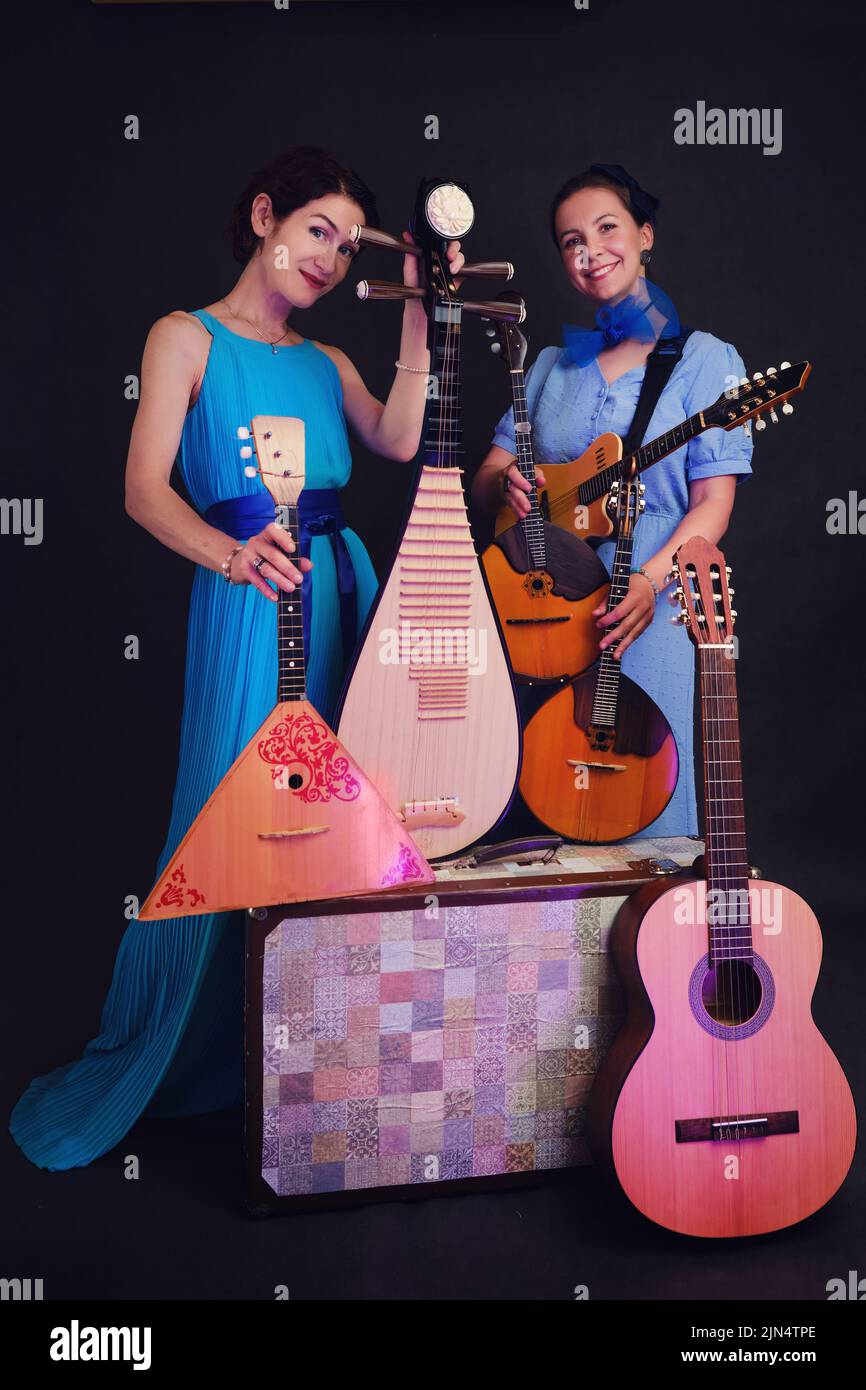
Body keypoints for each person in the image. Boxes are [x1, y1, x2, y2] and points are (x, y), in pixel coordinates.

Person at [11, 145, 463, 1170]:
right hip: (249, 594)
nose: (332, 259)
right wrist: (229, 553)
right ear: (264, 215)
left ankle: (318, 1056)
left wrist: (416, 313)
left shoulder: (323, 361)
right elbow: (142, 488)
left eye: (350, 249)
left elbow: (396, 438)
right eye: (317, 231)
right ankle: (190, 1048)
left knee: (348, 812)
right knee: (233, 811)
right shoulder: (184, 337)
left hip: (343, 593)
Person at [472, 162, 753, 838]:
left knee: (642, 798)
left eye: (606, 228)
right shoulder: (546, 366)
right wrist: (505, 482)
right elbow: (486, 485)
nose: (590, 250)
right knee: (546, 797)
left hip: (647, 601)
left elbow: (712, 505)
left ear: (645, 234)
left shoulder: (705, 360)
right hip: (545, 605)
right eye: (571, 241)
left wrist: (652, 587)